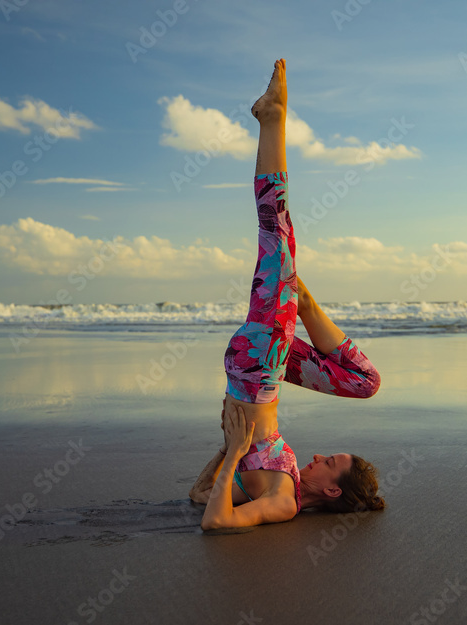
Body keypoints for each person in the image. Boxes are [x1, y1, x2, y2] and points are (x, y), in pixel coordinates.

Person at [188, 59, 385, 530]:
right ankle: (301, 296)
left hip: (260, 364)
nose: (317, 455)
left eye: (328, 461)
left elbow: (214, 523)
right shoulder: (290, 482)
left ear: (331, 489)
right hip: (262, 366)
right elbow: (198, 496)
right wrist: (224, 453)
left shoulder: (284, 502)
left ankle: (272, 116)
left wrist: (235, 450)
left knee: (276, 225)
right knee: (365, 383)